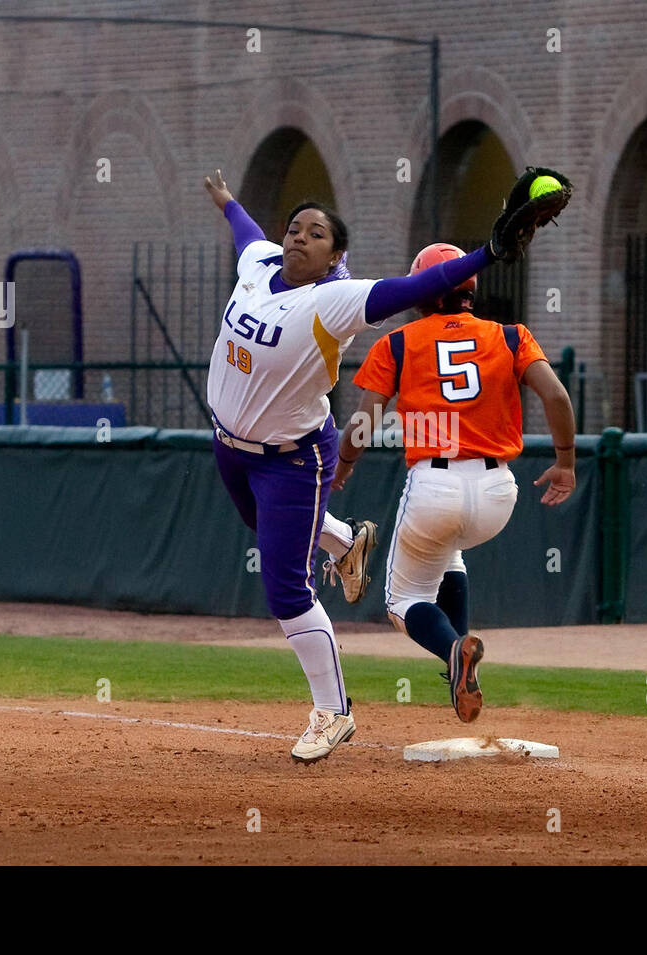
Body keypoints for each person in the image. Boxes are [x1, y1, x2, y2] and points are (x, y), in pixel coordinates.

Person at [203, 170, 517, 763]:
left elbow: (414, 286)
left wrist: (487, 253)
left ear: (334, 258)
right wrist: (227, 201)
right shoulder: (260, 265)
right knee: (264, 532)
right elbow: (247, 236)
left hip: (291, 459)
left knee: (286, 590)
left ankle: (333, 712)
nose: (298, 237)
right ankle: (346, 543)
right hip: (230, 444)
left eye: (315, 234)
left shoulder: (332, 301)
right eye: (294, 227)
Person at [332, 242, 578, 723]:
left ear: (421, 291)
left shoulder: (399, 343)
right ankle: (459, 665)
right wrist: (565, 461)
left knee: (403, 601)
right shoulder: (511, 336)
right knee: (450, 552)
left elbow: (363, 425)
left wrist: (343, 465)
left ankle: (453, 649)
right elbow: (557, 395)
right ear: (471, 287)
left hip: (434, 486)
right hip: (497, 493)